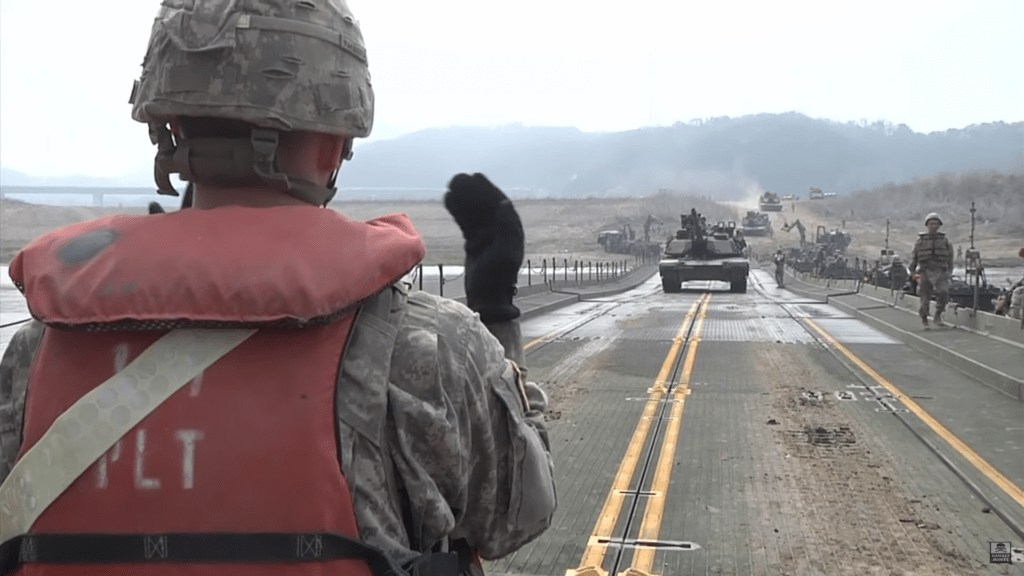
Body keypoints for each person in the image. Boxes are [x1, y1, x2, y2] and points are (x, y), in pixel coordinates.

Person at [0, 2, 555, 575]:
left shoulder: (35, 352)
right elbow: (519, 514)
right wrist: (494, 313)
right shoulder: (429, 348)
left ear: (167, 128)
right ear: (334, 140)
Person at [909, 212, 954, 328]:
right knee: (924, 297)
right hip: (925, 271)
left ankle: (938, 315)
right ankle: (924, 319)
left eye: (935, 223)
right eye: (931, 223)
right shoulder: (920, 242)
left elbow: (950, 259)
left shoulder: (945, 242)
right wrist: (913, 272)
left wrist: (949, 272)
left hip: (940, 271)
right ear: (927, 225)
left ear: (939, 225)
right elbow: (914, 259)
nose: (933, 226)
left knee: (944, 293)